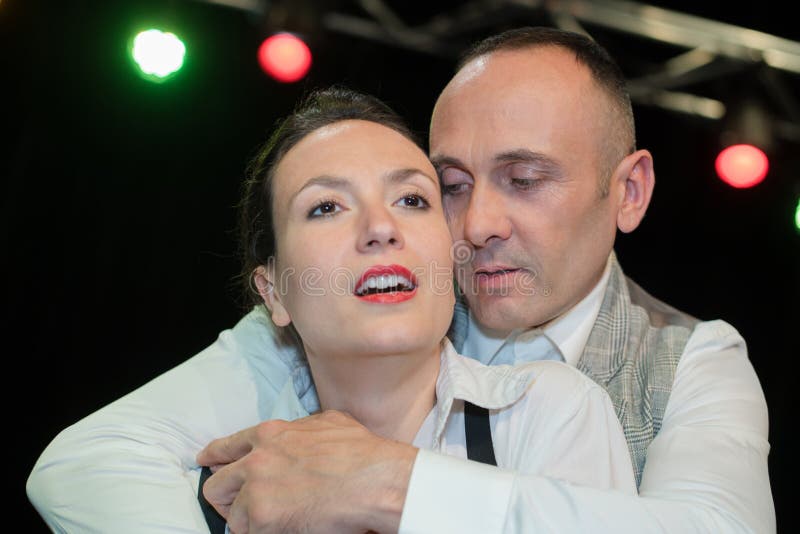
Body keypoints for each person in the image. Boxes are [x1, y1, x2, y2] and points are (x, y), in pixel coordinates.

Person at [28, 26, 774, 533]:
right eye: (449, 186)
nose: (477, 223)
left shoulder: (689, 362)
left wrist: (391, 485)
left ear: (629, 192)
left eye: (523, 179)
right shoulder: (350, 309)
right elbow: (88, 461)